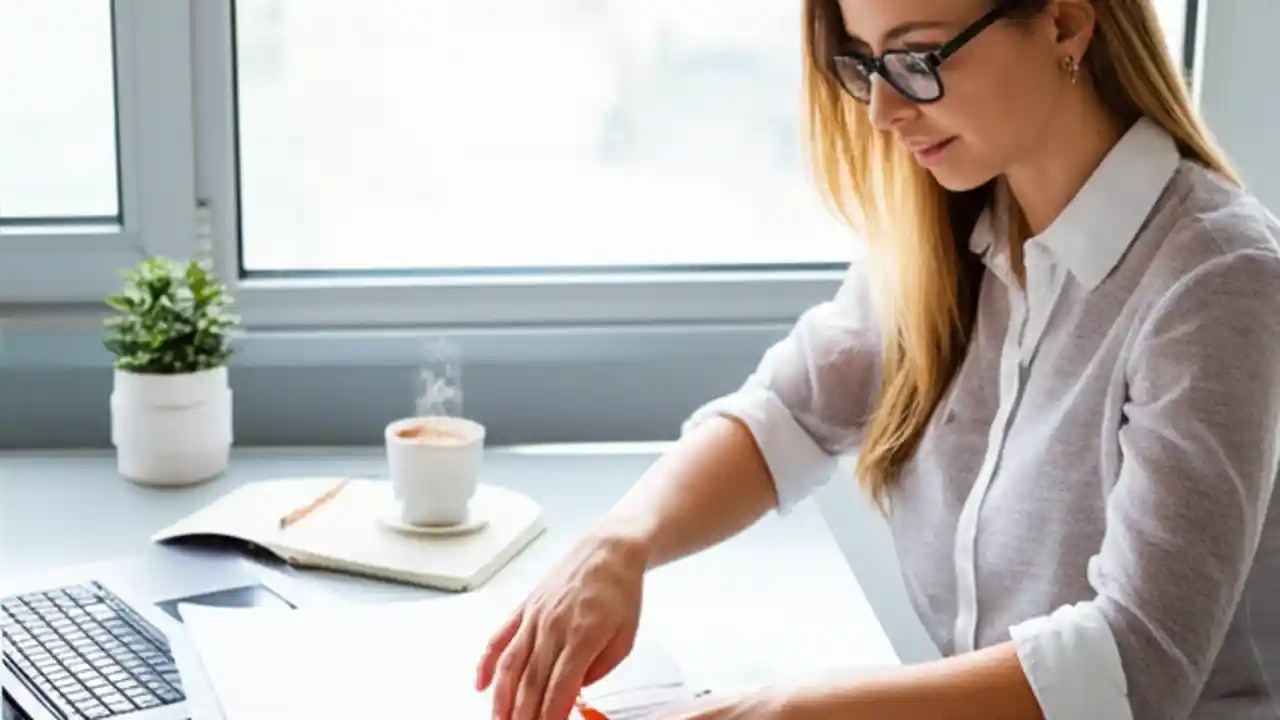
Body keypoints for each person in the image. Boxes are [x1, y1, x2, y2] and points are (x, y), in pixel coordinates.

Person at [475, 0, 1280, 717]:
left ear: (1066, 21)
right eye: (863, 63)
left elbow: (1135, 664)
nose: (883, 111)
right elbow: (787, 409)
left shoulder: (1216, 279)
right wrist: (620, 543)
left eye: (919, 58)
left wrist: (789, 712)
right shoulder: (959, 237)